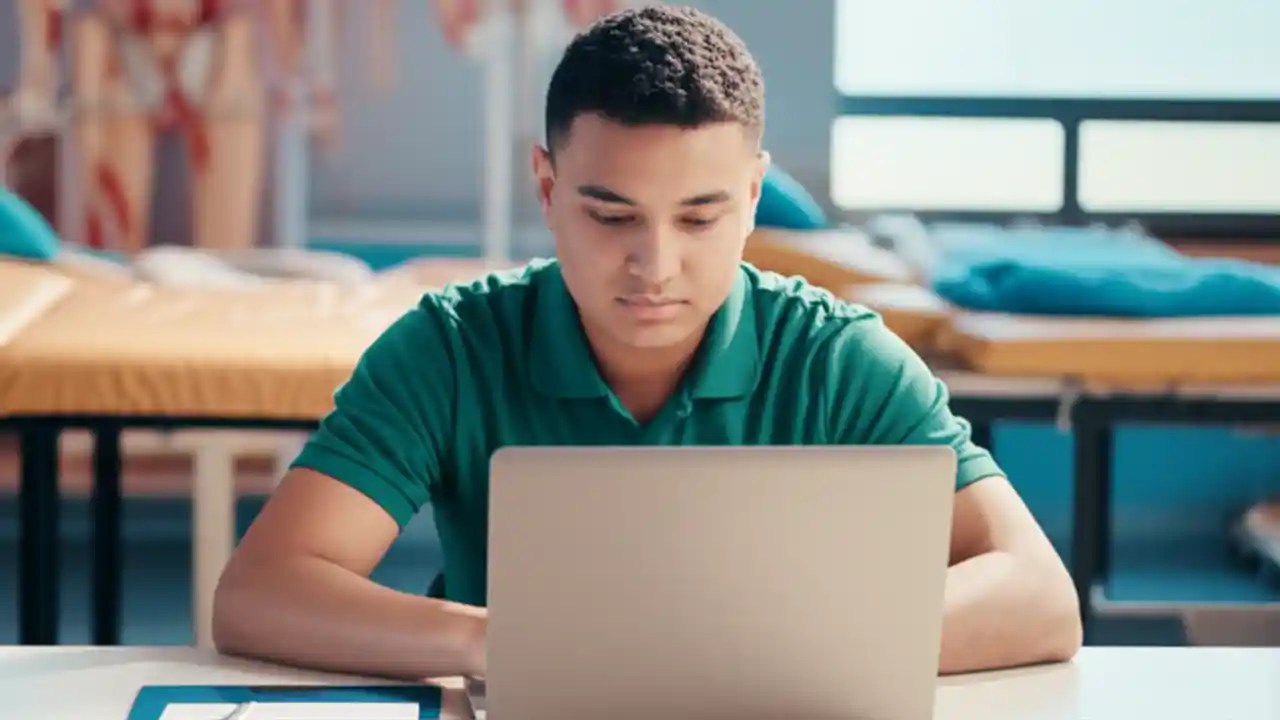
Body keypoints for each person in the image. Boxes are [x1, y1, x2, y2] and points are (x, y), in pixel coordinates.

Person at [212, 4, 1081, 680]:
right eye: (611, 214)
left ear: (751, 196)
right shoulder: (451, 348)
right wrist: (510, 643)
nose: (653, 265)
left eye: (699, 216)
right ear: (547, 187)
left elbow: (1039, 595)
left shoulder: (837, 358)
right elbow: (261, 592)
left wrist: (768, 652)